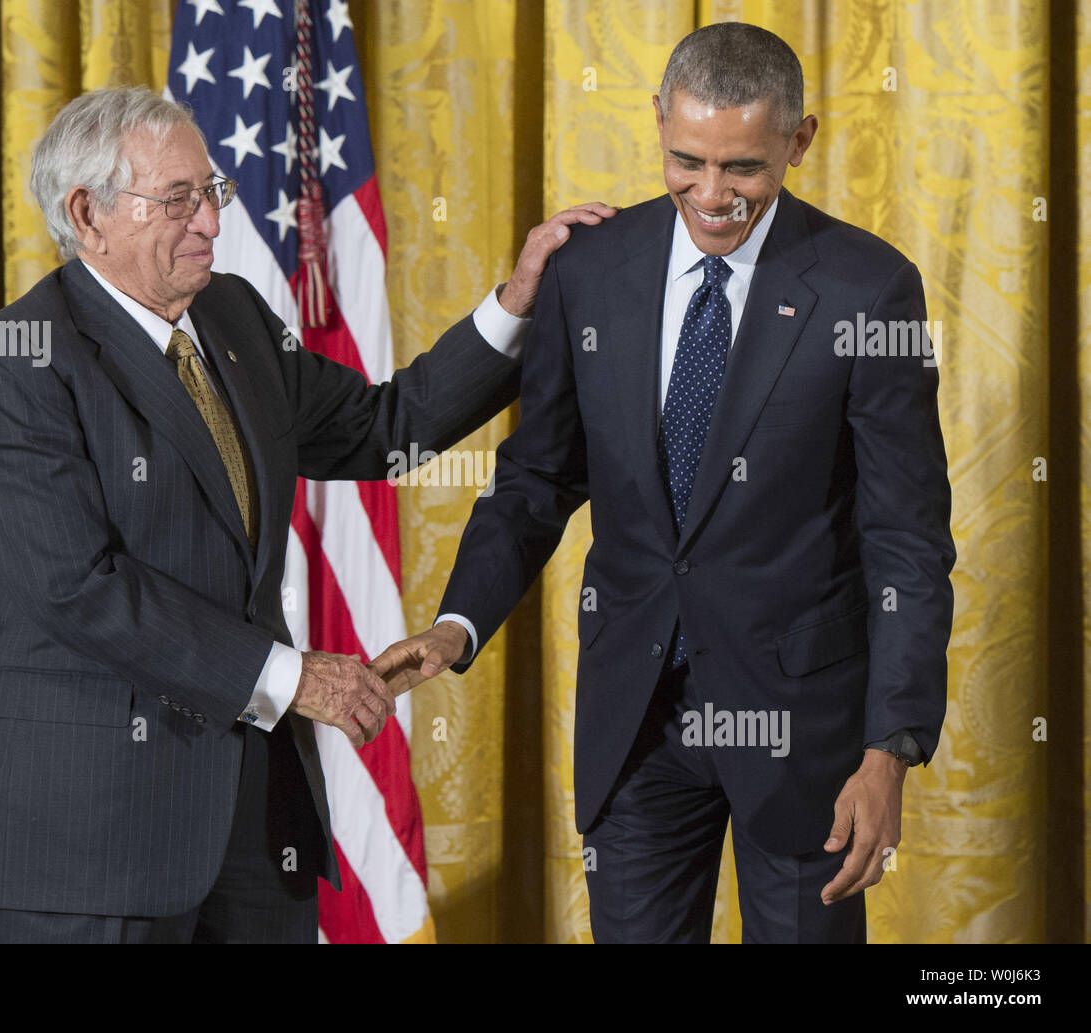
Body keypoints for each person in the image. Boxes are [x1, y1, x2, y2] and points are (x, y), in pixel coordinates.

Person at [0, 85, 613, 944]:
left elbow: (383, 428)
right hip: (73, 838)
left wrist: (519, 302)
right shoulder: (17, 360)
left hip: (249, 825)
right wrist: (293, 678)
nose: (210, 221)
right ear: (87, 214)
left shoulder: (233, 312)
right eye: (178, 200)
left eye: (213, 192)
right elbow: (78, 588)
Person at [371, 22, 955, 943]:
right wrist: (457, 625)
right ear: (656, 123)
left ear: (799, 142)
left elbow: (907, 539)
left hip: (802, 734)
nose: (712, 196)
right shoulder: (588, 269)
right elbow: (536, 477)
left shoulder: (870, 290)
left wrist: (891, 751)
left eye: (745, 170)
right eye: (687, 161)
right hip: (636, 724)